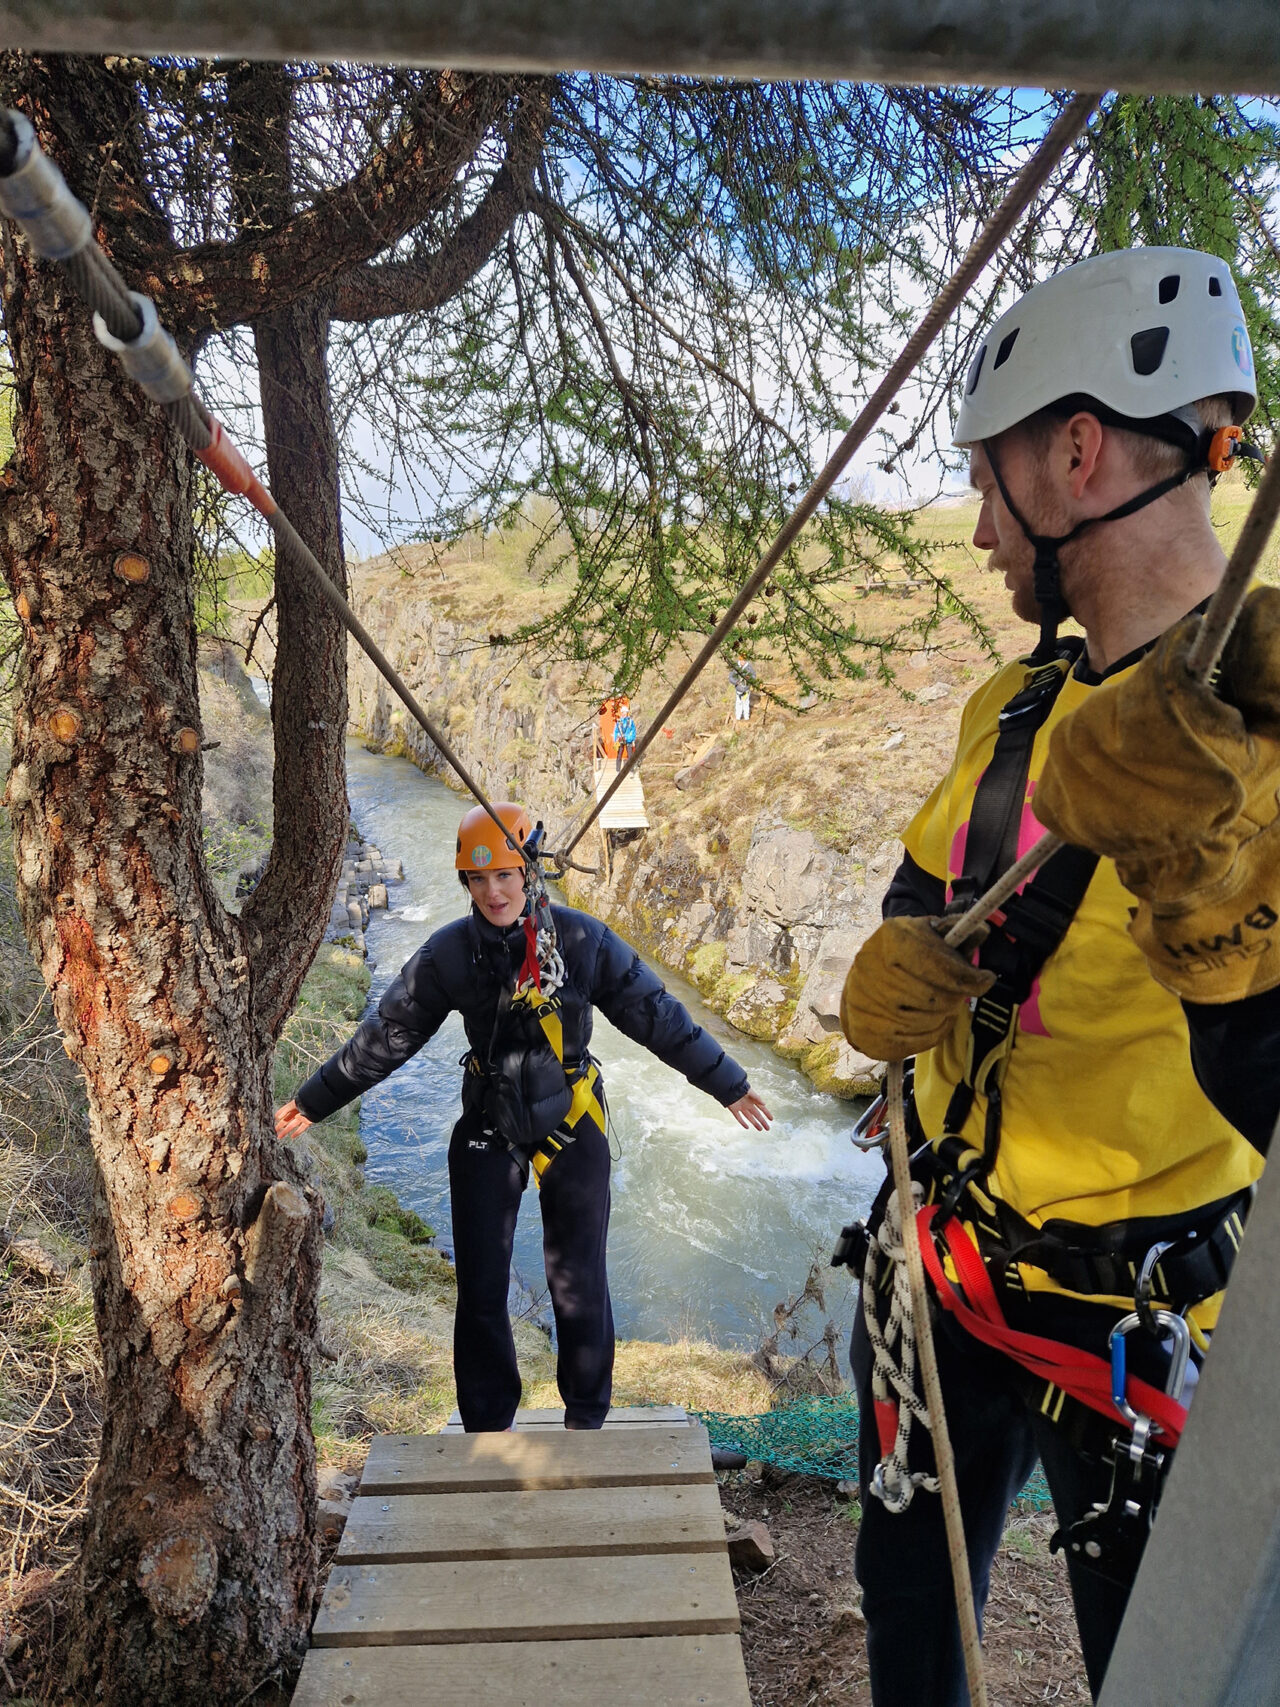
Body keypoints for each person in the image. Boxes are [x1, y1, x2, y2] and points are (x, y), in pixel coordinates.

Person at [837, 246, 1280, 1704]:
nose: (977, 529)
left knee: (1154, 1671)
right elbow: (930, 885)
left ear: (1078, 450)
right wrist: (893, 962)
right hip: (940, 1269)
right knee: (913, 1633)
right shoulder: (1015, 701)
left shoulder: (1260, 743)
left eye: (988, 480)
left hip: (1138, 1328)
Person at [276, 801, 772, 1432]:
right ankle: (487, 1430)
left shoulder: (583, 941)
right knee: (481, 1288)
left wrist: (727, 1083)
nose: (493, 892)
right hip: (489, 1123)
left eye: (506, 875)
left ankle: (587, 1419)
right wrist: (317, 1099)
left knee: (579, 1281)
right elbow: (389, 1035)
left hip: (573, 1115)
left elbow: (656, 1016)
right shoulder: (449, 955)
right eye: (478, 880)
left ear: (529, 872)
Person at [612, 701, 638, 771]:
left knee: (630, 755)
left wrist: (632, 739)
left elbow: (633, 731)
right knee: (619, 755)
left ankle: (631, 770)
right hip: (620, 740)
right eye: (623, 712)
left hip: (628, 740)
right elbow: (616, 731)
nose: (624, 713)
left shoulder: (630, 721)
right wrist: (615, 740)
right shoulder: (619, 721)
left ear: (627, 713)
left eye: (625, 712)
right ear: (621, 712)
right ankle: (618, 770)